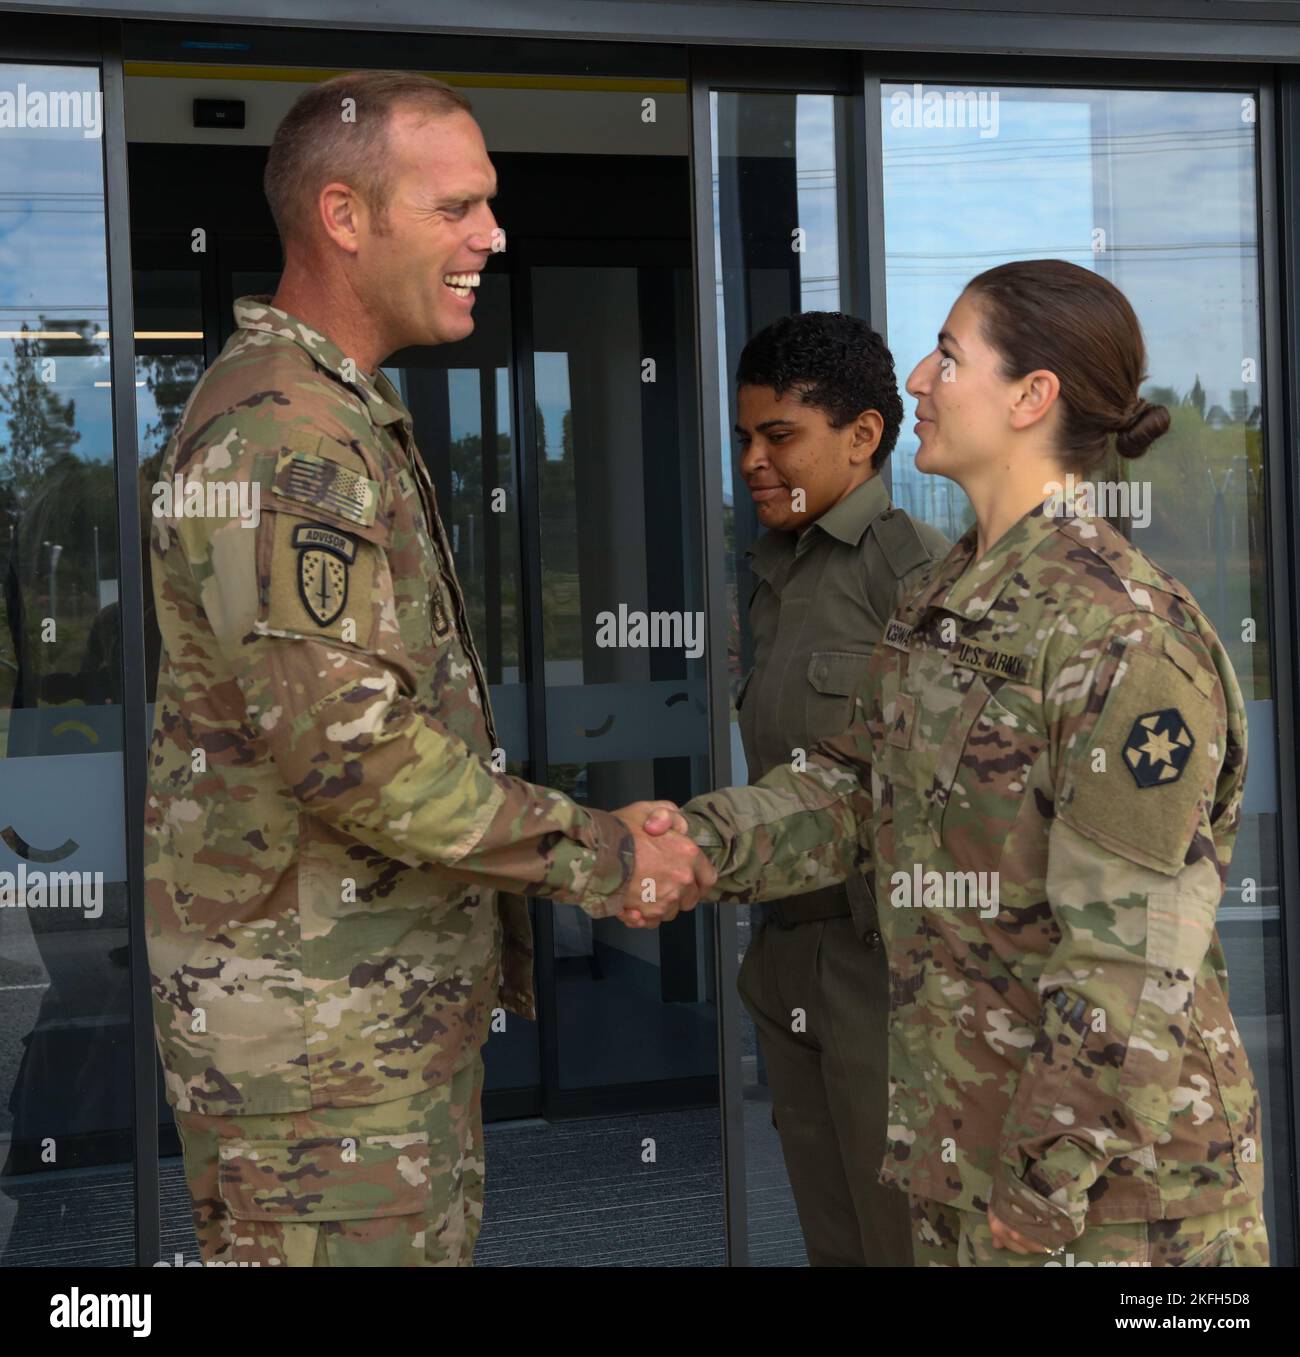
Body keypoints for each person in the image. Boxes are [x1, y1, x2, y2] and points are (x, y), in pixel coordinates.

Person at [144, 69, 713, 1268]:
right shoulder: (287, 434)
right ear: (345, 218)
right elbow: (356, 756)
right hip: (320, 1063)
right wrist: (607, 855)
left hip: (365, 1037)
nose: (490, 236)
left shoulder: (341, 414)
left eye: (488, 207)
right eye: (456, 207)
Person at [640, 258, 1268, 1266]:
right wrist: (694, 845)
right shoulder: (944, 594)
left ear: (1031, 396)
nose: (919, 384)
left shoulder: (1122, 633)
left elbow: (1130, 950)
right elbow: (856, 789)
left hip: (1113, 1205)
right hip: (964, 1154)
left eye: (946, 354)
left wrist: (1045, 1180)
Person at [726, 311, 947, 1266]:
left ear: (862, 436)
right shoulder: (776, 569)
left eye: (780, 437)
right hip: (785, 952)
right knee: (835, 1240)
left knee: (902, 1238)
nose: (753, 462)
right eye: (744, 437)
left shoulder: (919, 576)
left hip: (879, 967)